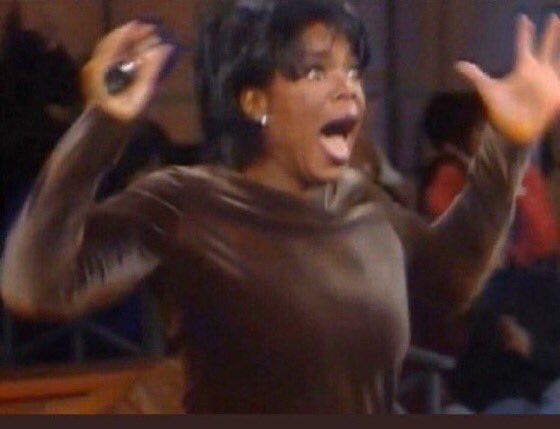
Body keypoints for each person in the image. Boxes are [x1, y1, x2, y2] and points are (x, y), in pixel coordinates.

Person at [2, 0, 560, 413]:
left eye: (351, 70)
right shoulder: (185, 202)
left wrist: (508, 143)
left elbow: (451, 279)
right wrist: (102, 124)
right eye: (316, 70)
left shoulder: (363, 204)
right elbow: (35, 285)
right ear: (254, 101)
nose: (348, 89)